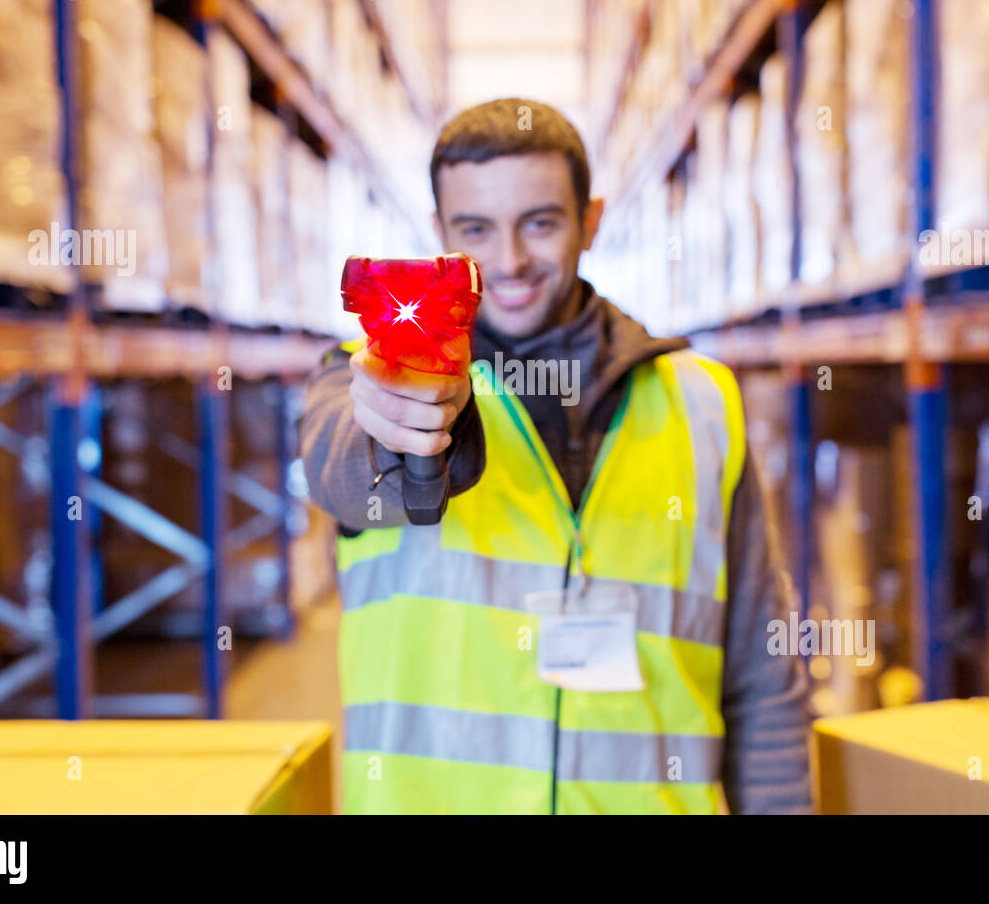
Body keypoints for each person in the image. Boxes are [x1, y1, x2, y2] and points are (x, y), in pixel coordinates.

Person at [301, 97, 811, 814]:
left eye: (539, 223)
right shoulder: (369, 375)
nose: (509, 261)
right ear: (439, 233)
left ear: (590, 221)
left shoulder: (701, 400)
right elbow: (346, 472)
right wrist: (406, 434)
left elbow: (763, 675)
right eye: (476, 230)